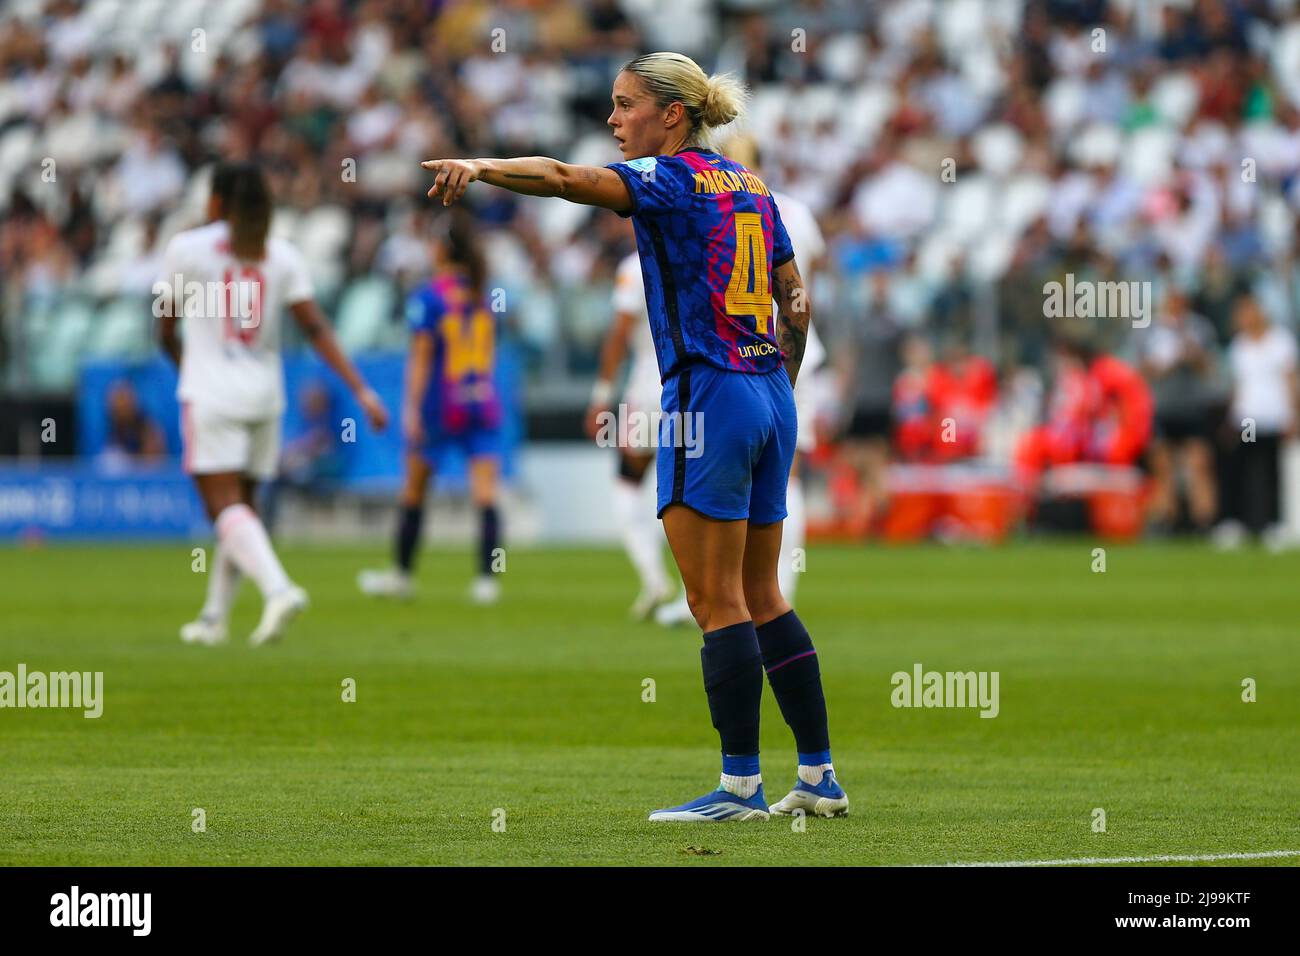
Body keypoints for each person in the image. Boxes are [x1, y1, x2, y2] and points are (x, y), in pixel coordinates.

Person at [421, 51, 846, 822]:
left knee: (713, 601)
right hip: (770, 394)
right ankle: (818, 775)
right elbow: (798, 299)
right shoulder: (754, 187)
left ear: (672, 114)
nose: (613, 121)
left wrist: (480, 166)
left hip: (709, 393)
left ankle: (741, 787)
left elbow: (560, 178)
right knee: (763, 594)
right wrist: (783, 376)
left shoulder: (670, 179)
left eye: (625, 105)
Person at [158, 162, 388, 647]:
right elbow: (316, 327)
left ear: (217, 203)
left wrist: (189, 371)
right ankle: (213, 618)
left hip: (210, 392)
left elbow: (163, 327)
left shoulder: (185, 249)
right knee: (244, 509)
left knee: (223, 508)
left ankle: (279, 589)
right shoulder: (282, 256)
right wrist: (362, 389)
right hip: (266, 395)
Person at [655, 133, 828, 623]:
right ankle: (756, 592)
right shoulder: (782, 203)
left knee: (757, 475)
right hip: (778, 354)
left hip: (745, 355)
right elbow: (801, 284)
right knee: (767, 468)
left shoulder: (716, 193)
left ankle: (751, 591)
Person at [358, 212, 506, 604]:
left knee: (414, 489)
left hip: (442, 403)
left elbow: (422, 357)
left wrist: (410, 409)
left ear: (441, 248)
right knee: (486, 493)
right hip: (480, 398)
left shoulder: (429, 296)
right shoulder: (482, 291)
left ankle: (401, 575)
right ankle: (487, 581)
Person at [584, 225, 676, 620]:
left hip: (650, 391)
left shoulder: (635, 267)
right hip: (698, 390)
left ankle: (655, 577)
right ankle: (703, 588)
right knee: (691, 492)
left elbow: (620, 333)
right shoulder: (699, 258)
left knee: (628, 483)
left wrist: (601, 396)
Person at [1217, 290, 1297, 546]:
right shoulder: (1239, 346)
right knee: (1242, 468)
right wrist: (1231, 418)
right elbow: (1239, 385)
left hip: (1274, 416)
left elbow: (1291, 380)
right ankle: (1238, 522)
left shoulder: (1281, 341)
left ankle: (1273, 524)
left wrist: (1295, 414)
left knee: (1273, 471)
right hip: (1248, 418)